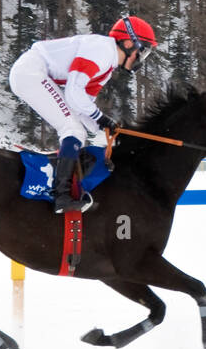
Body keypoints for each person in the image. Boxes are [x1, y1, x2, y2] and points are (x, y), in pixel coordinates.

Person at [8, 15, 158, 212]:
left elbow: (81, 105)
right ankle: (62, 195)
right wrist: (101, 118)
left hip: (31, 73)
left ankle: (62, 188)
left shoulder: (107, 66)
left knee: (77, 129)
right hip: (31, 71)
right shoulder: (102, 50)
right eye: (143, 51)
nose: (141, 58)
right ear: (129, 43)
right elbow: (73, 93)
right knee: (72, 129)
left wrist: (106, 127)